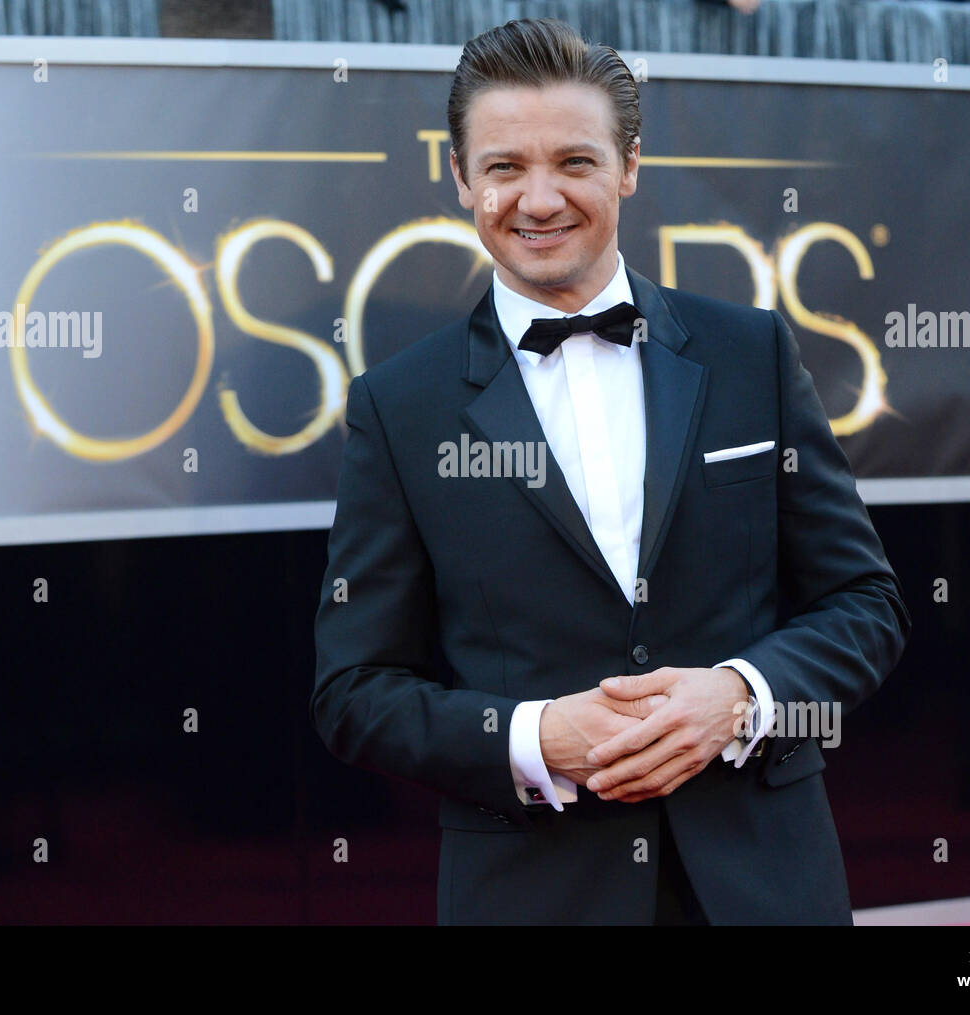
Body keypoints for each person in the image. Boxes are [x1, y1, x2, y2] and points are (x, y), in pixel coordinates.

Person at [310, 17, 910, 925]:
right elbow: (353, 692)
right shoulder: (400, 407)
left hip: (766, 886)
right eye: (506, 166)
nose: (539, 198)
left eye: (576, 162)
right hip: (535, 893)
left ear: (629, 167)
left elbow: (866, 603)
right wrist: (534, 736)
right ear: (462, 177)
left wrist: (740, 697)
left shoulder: (750, 351)